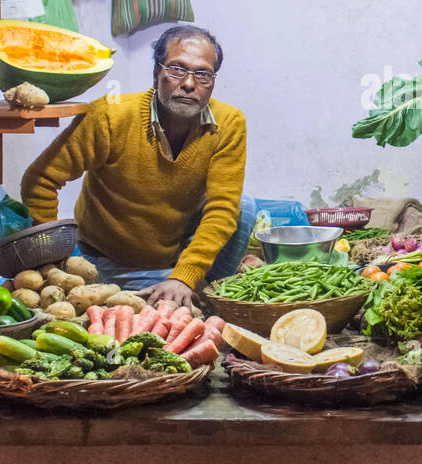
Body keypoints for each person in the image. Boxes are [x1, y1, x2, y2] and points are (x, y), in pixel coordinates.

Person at [21, 25, 256, 308]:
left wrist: (184, 276)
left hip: (176, 244)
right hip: (114, 256)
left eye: (202, 74)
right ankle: (189, 290)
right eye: (177, 69)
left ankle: (198, 287)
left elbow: (222, 209)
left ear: (213, 81)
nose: (189, 83)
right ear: (156, 73)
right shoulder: (110, 116)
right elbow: (40, 180)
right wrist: (52, 263)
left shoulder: (229, 123)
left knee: (244, 207)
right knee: (162, 312)